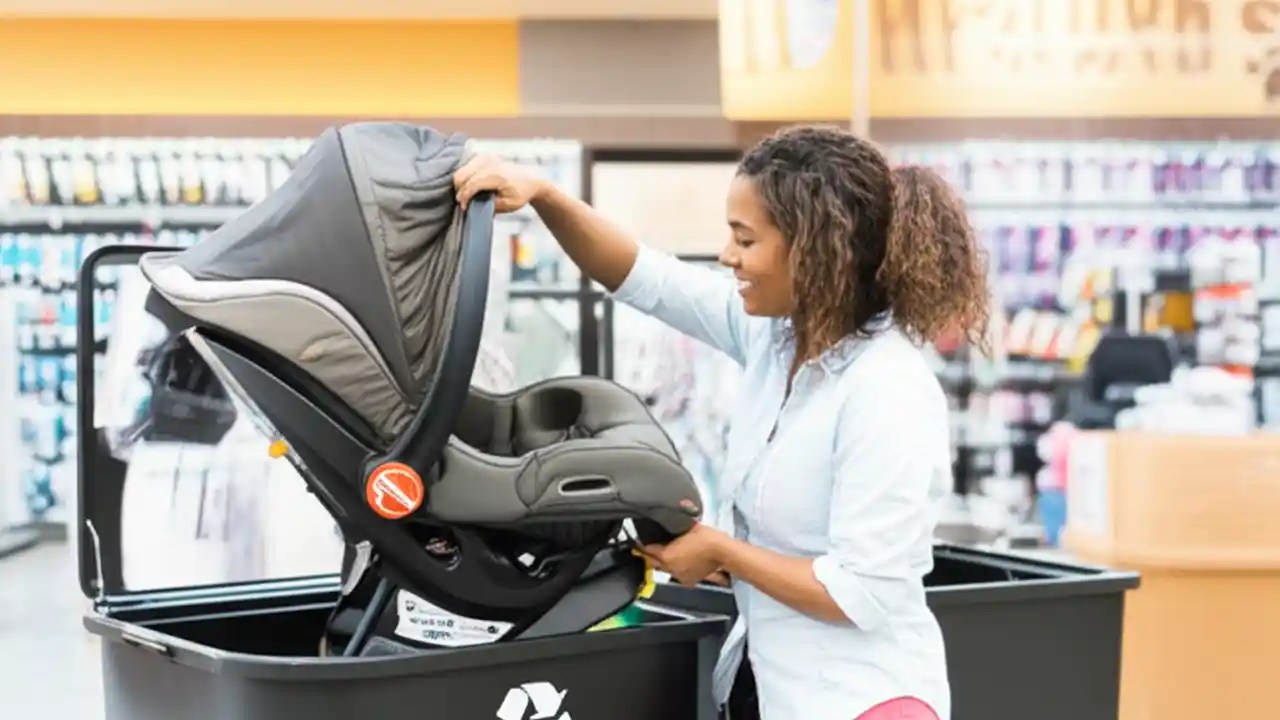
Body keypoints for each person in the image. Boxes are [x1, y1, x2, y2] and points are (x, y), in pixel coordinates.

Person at [452, 125, 990, 720]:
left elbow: (861, 591)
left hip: (861, 701)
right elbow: (645, 279)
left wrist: (723, 553)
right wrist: (545, 197)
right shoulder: (776, 340)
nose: (727, 256)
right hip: (767, 687)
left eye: (745, 239)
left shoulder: (886, 388)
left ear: (814, 249)